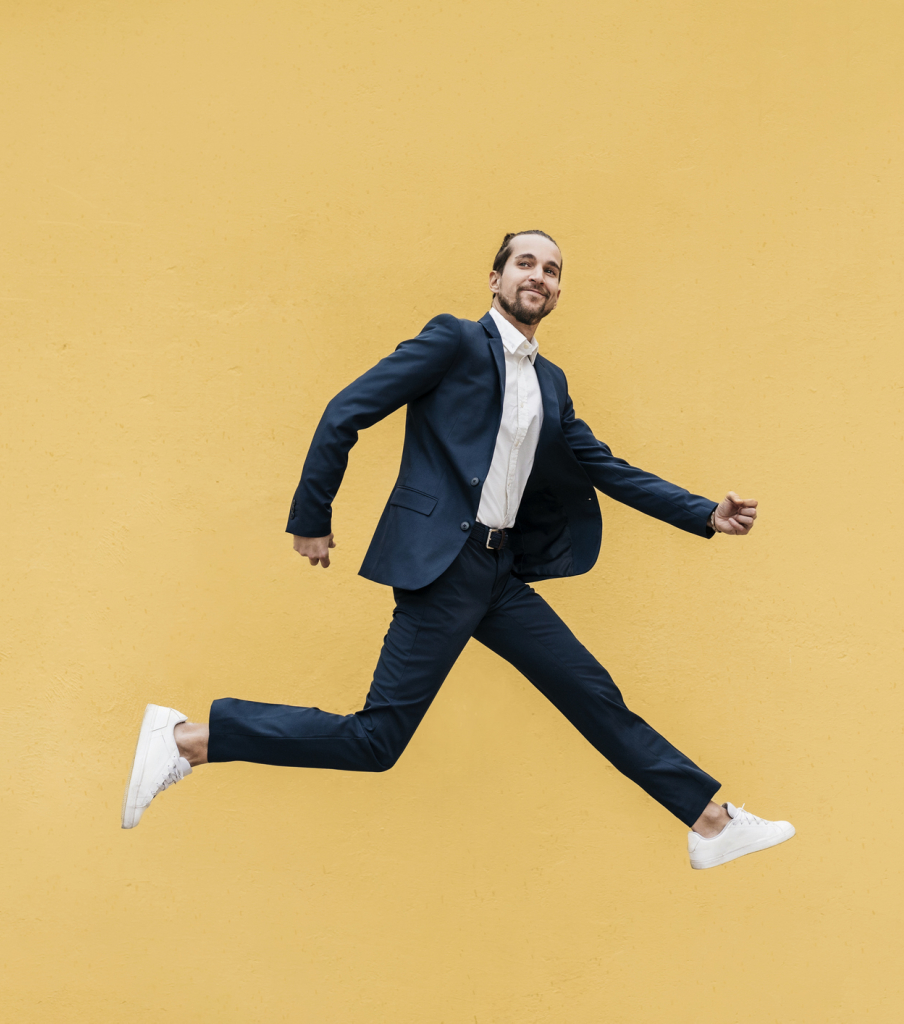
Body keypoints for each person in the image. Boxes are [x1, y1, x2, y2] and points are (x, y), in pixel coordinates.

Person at [121, 230, 794, 869]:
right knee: (376, 741)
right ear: (497, 277)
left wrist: (701, 512)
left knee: (593, 695)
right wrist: (312, 514)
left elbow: (603, 465)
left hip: (497, 572)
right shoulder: (454, 341)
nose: (540, 276)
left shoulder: (550, 381)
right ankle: (188, 740)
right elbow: (344, 410)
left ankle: (711, 824)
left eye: (552, 270)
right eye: (526, 263)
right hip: (443, 566)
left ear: (558, 293)